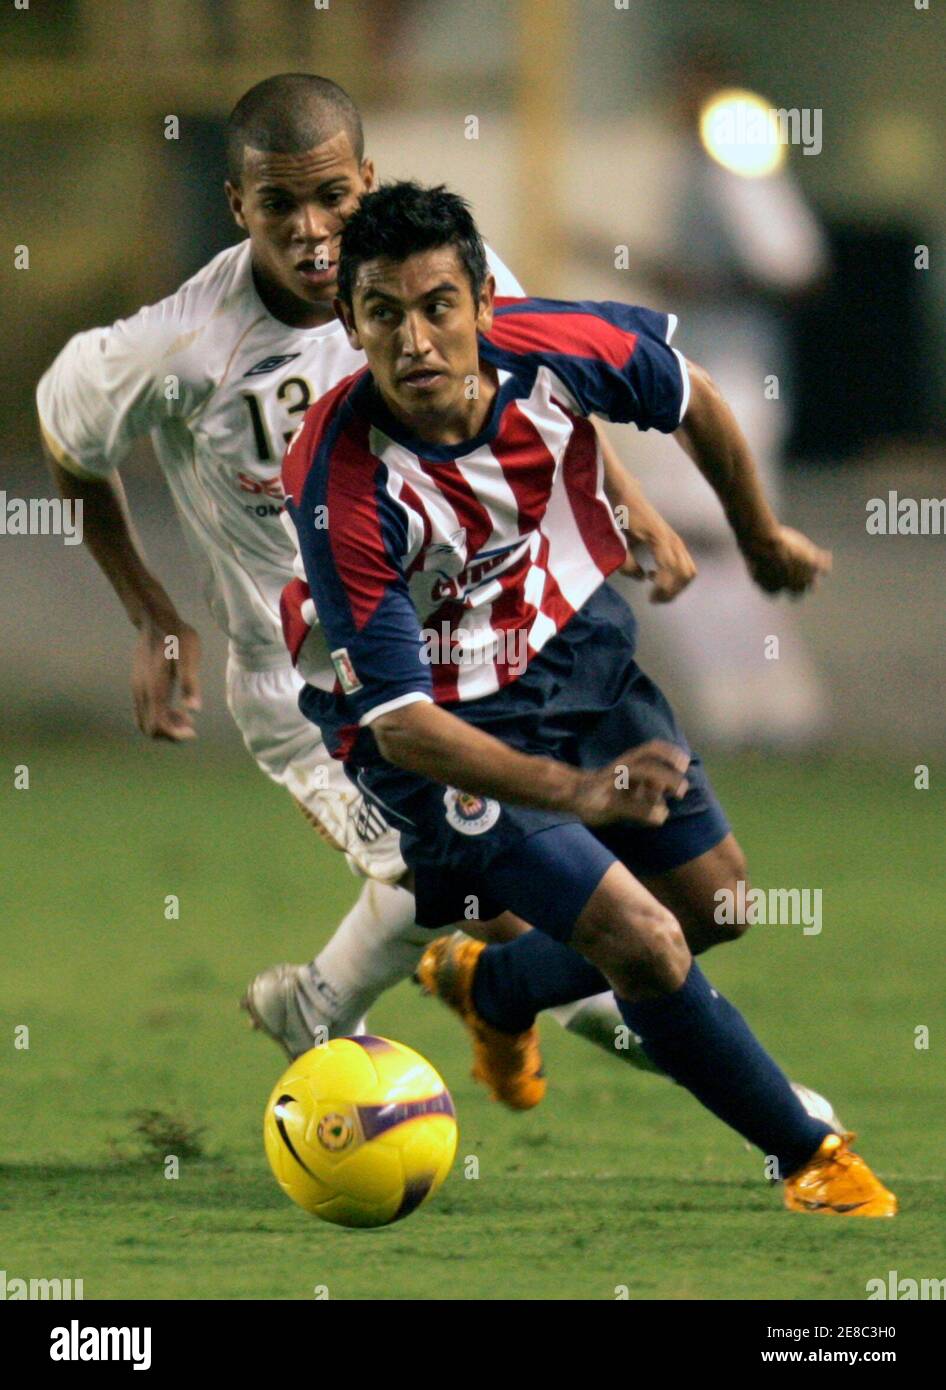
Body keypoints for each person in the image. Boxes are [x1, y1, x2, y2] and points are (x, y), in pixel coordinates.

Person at [35, 73, 693, 1090]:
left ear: (366, 181)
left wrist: (627, 499)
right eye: (278, 205)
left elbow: (535, 378)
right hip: (315, 690)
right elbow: (66, 435)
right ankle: (738, 1084)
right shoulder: (178, 348)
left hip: (462, 648)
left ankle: (322, 1002)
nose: (310, 230)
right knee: (512, 889)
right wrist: (154, 613)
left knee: (494, 881)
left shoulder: (435, 280)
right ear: (235, 206)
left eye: (331, 198)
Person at [279, 179, 895, 1217]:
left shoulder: (552, 345)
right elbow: (405, 727)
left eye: (438, 306)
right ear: (351, 324)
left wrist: (757, 537)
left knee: (718, 906)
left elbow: (692, 394)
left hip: (575, 655)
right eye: (383, 313)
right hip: (443, 731)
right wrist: (574, 792)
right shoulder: (341, 481)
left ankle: (494, 987)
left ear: (482, 301)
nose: (416, 339)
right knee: (643, 939)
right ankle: (810, 1158)